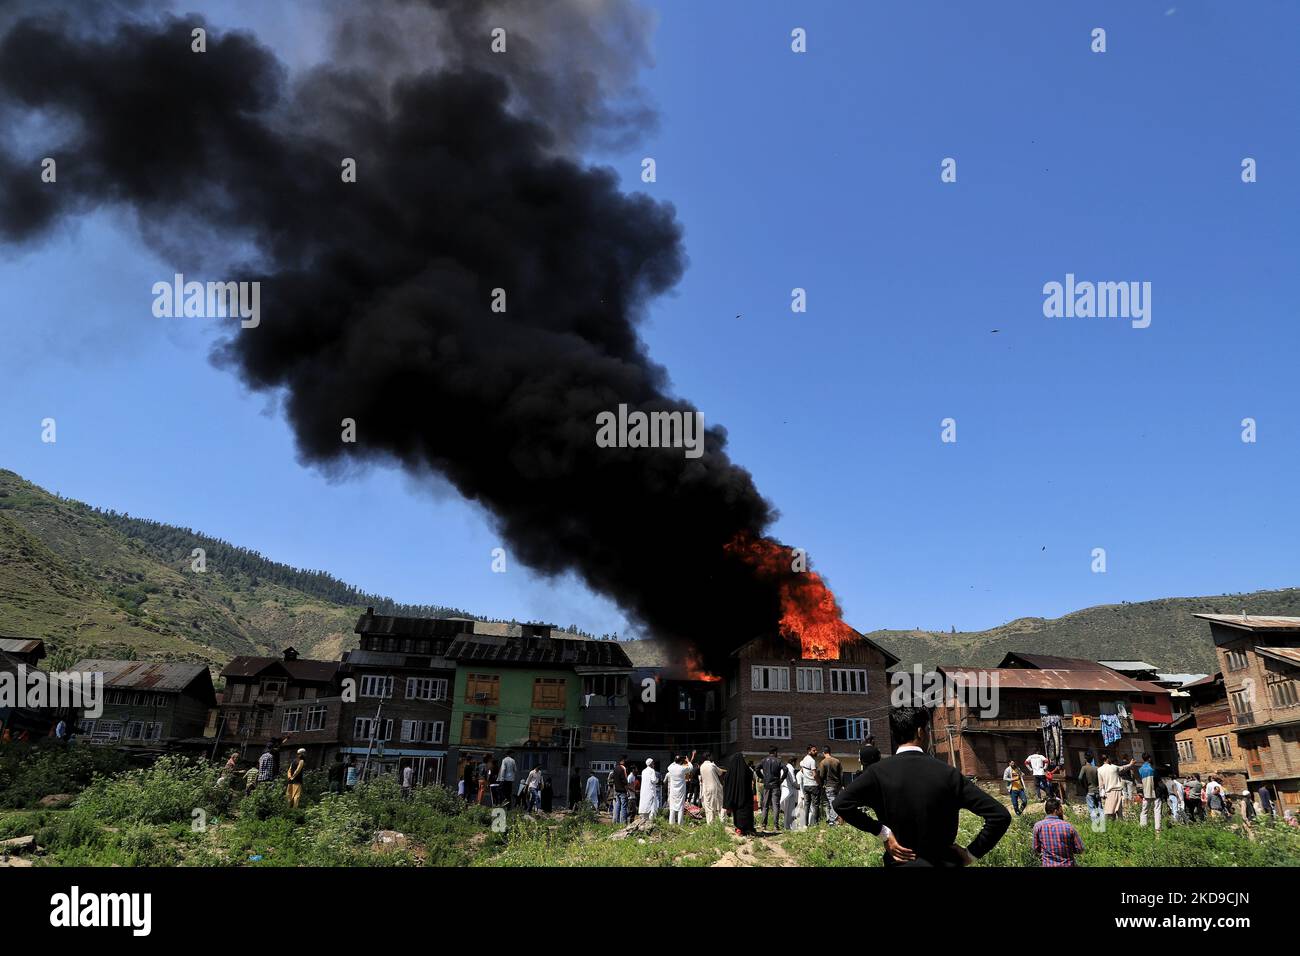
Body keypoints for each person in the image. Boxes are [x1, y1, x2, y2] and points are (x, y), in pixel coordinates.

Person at [834, 706, 1010, 867]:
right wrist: (971, 854)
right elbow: (999, 815)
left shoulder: (877, 773)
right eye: (926, 729)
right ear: (920, 732)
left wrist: (882, 832)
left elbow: (841, 803)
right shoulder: (948, 773)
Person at [1032, 798, 1085, 867]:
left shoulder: (1038, 826)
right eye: (1061, 808)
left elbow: (1036, 848)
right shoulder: (1068, 826)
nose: (1062, 811)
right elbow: (1080, 848)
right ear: (1056, 811)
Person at [722, 750, 756, 835]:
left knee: (737, 813)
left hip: (735, 799)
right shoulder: (747, 771)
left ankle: (739, 829)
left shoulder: (729, 773)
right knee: (746, 813)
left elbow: (726, 785)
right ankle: (748, 829)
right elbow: (752, 776)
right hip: (746, 797)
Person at [1097, 753, 1133, 821]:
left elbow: (1101, 785)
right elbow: (1123, 768)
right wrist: (1131, 764)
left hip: (1108, 793)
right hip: (1118, 792)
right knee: (1119, 813)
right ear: (1107, 759)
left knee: (1110, 812)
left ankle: (1111, 827)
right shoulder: (1114, 767)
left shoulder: (1099, 770)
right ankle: (1121, 826)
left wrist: (1102, 794)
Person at [758, 747, 785, 831]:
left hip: (767, 786)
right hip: (776, 785)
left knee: (765, 805)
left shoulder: (764, 760)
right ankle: (776, 826)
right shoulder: (778, 761)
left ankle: (763, 825)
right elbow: (786, 769)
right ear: (775, 752)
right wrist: (782, 779)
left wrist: (762, 777)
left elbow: (757, 769)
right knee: (775, 805)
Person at [665, 751, 696, 824]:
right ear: (681, 761)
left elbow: (670, 766)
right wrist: (688, 761)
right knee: (680, 806)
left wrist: (675, 761)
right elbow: (691, 767)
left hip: (673, 790)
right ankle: (680, 822)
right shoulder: (682, 768)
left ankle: (671, 822)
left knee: (672, 806)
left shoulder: (670, 768)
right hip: (681, 790)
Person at [698, 752, 724, 825]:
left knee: (709, 807)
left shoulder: (702, 766)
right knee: (720, 806)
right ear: (708, 757)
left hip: (706, 789)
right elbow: (720, 773)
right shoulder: (712, 765)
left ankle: (710, 824)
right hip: (715, 788)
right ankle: (722, 823)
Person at [1138, 753, 1162, 832]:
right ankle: (1157, 830)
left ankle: (1143, 829)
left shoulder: (1140, 769)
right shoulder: (1152, 768)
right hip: (1155, 792)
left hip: (1146, 793)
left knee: (1144, 811)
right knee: (1157, 810)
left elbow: (1140, 781)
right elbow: (1158, 780)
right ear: (1149, 759)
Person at [799, 745, 822, 827]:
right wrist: (819, 783)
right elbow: (815, 774)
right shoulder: (812, 761)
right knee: (815, 805)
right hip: (813, 785)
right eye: (814, 750)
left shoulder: (804, 759)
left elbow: (801, 768)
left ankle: (805, 824)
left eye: (816, 750)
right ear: (809, 751)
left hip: (806, 785)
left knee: (807, 805)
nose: (816, 751)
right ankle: (816, 824)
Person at [820, 748, 843, 825]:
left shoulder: (823, 762)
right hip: (837, 785)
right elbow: (841, 775)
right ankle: (832, 819)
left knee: (832, 804)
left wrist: (821, 784)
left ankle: (832, 821)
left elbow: (822, 776)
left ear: (824, 753)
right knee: (834, 803)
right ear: (830, 752)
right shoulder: (837, 761)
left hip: (829, 786)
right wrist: (842, 785)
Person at [1078, 754, 1100, 821]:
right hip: (1097, 791)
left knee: (1092, 809)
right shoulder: (1096, 768)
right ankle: (1102, 825)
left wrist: (1083, 786)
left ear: (1085, 759)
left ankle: (1095, 825)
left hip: (1089, 791)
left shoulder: (1084, 768)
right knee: (1099, 808)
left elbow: (1080, 778)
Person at [780, 754, 800, 830]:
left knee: (786, 811)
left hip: (785, 790)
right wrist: (800, 786)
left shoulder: (784, 768)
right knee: (789, 811)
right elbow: (793, 782)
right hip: (789, 792)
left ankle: (786, 826)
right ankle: (788, 827)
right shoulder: (790, 768)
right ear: (793, 762)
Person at [638, 758, 660, 822]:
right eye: (653, 763)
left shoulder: (643, 771)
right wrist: (657, 780)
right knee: (652, 806)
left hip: (644, 791)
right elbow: (653, 780)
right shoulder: (652, 770)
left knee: (645, 805)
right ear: (651, 764)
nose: (654, 764)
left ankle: (644, 820)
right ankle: (651, 821)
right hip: (650, 791)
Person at [611, 756, 630, 824]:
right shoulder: (623, 768)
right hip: (622, 791)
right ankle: (623, 823)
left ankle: (616, 821)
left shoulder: (615, 768)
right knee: (624, 807)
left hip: (616, 790)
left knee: (617, 806)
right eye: (625, 760)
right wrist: (627, 791)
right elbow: (624, 781)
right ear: (623, 761)